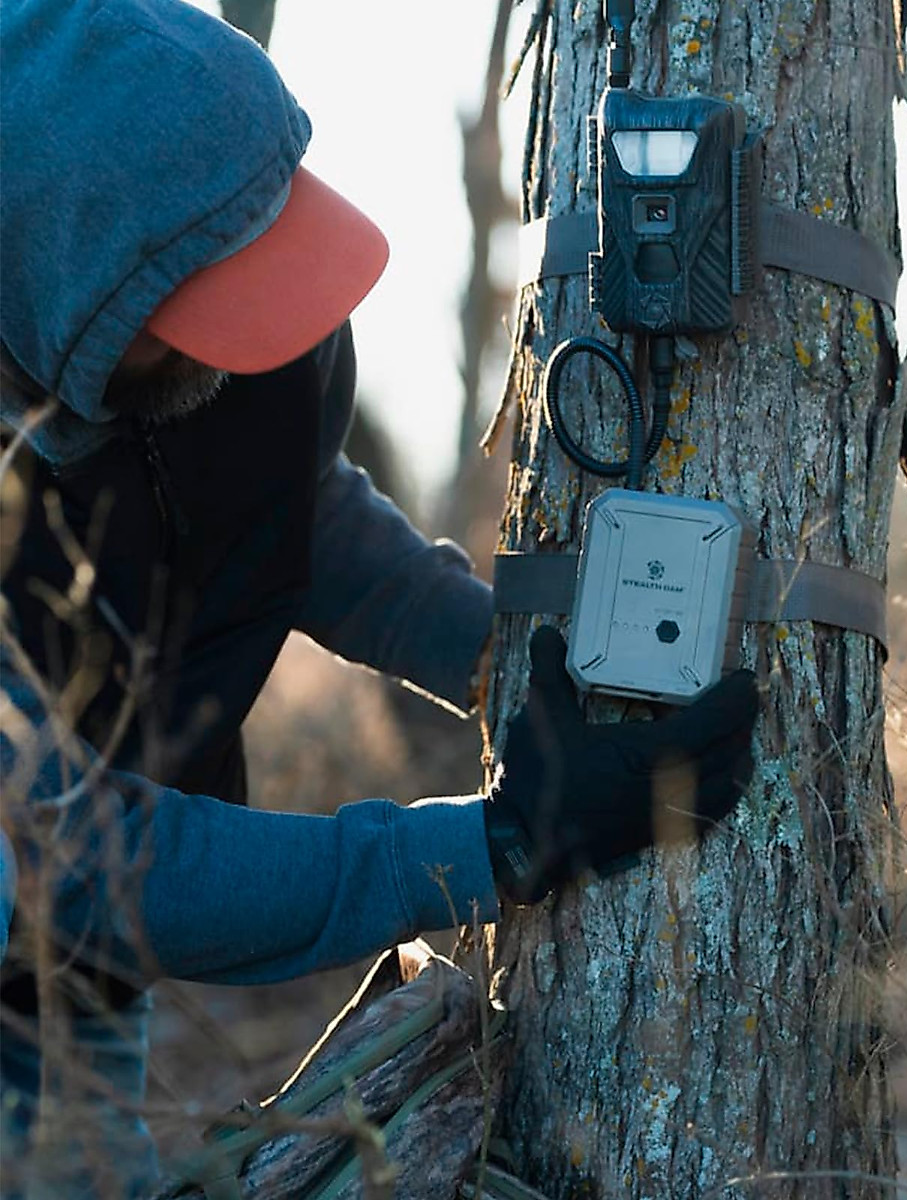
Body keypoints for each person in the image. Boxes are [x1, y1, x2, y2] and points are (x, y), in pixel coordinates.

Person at [0, 1, 759, 1195]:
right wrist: (492, 845)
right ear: (52, 289)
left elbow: (286, 514)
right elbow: (73, 860)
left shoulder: (226, 359)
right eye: (200, 310)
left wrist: (514, 657)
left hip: (87, 991)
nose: (243, 349)